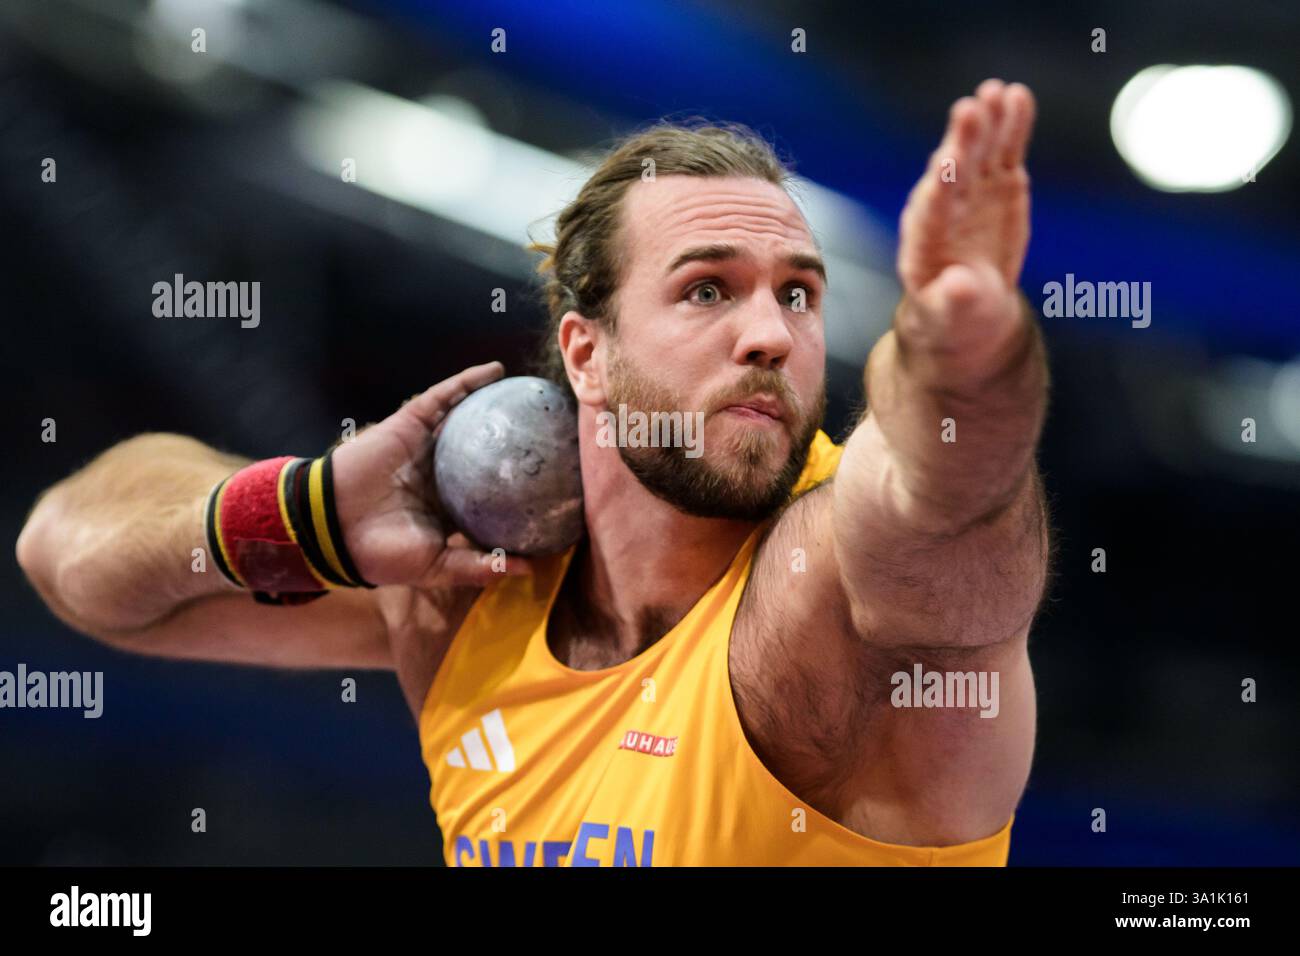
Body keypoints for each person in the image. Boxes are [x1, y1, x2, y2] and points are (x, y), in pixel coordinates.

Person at [17, 78, 1051, 866]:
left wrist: (956, 349)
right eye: (707, 291)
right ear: (586, 352)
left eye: (800, 295)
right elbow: (72, 560)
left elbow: (941, 504)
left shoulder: (828, 600)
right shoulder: (465, 592)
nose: (771, 334)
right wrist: (309, 511)